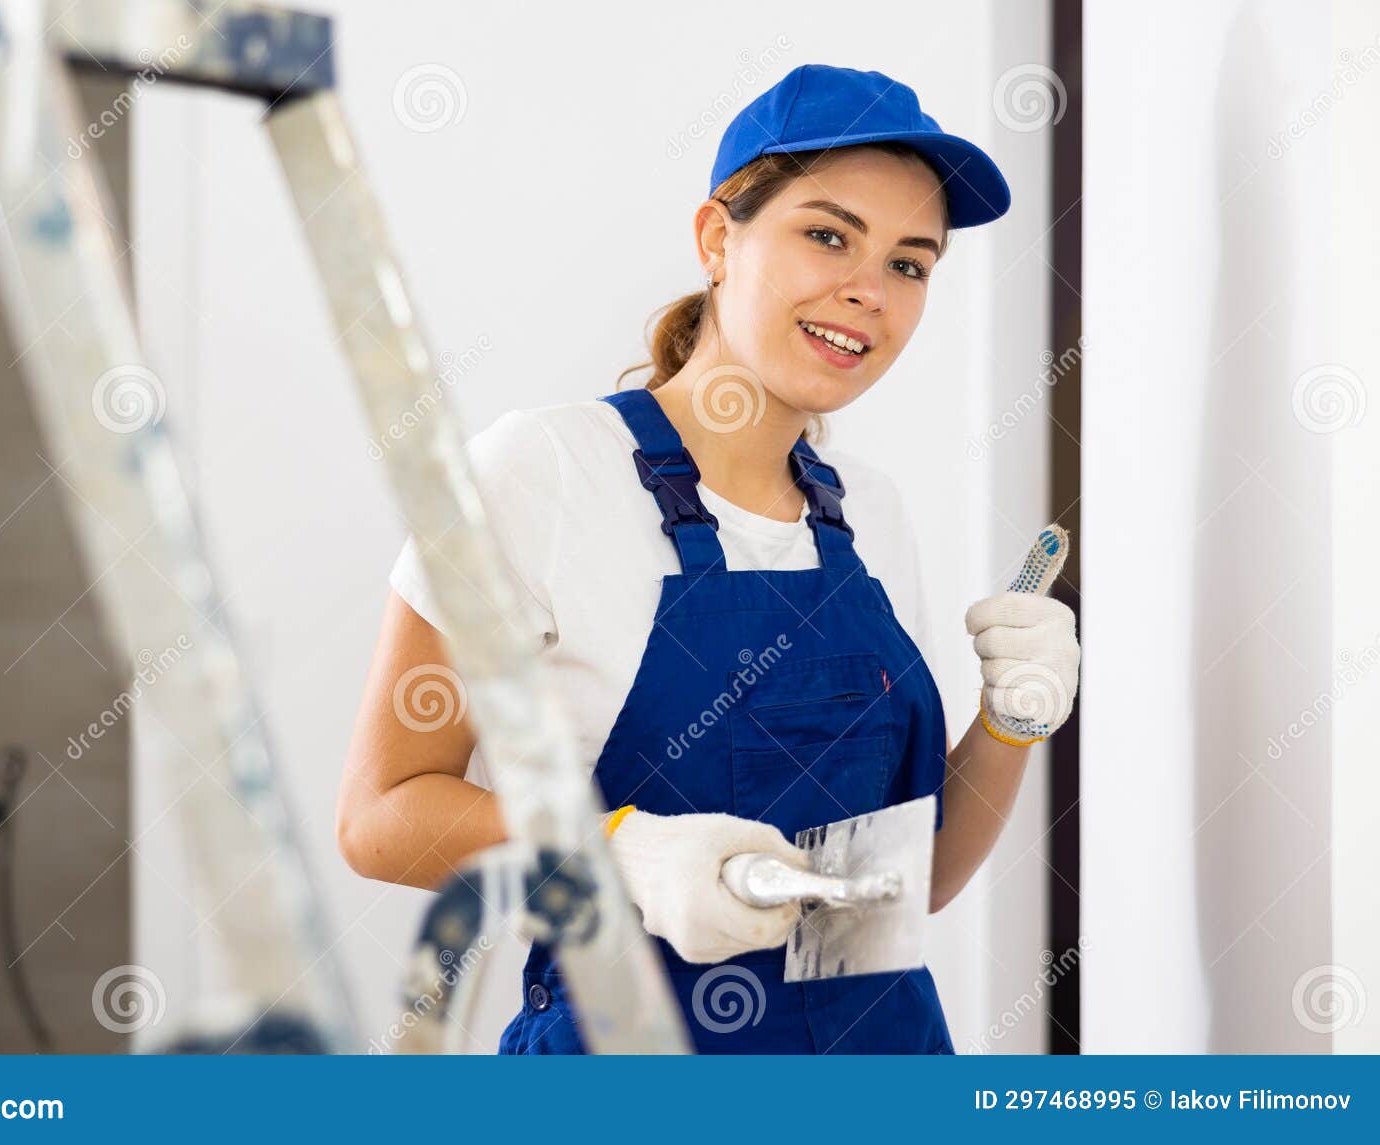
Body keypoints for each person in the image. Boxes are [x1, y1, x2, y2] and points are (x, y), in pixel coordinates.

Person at [337, 64, 1081, 1054]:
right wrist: (618, 849)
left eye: (910, 262)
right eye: (827, 234)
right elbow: (381, 815)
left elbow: (912, 883)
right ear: (717, 238)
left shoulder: (868, 513)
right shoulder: (543, 470)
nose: (868, 290)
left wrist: (1009, 721)